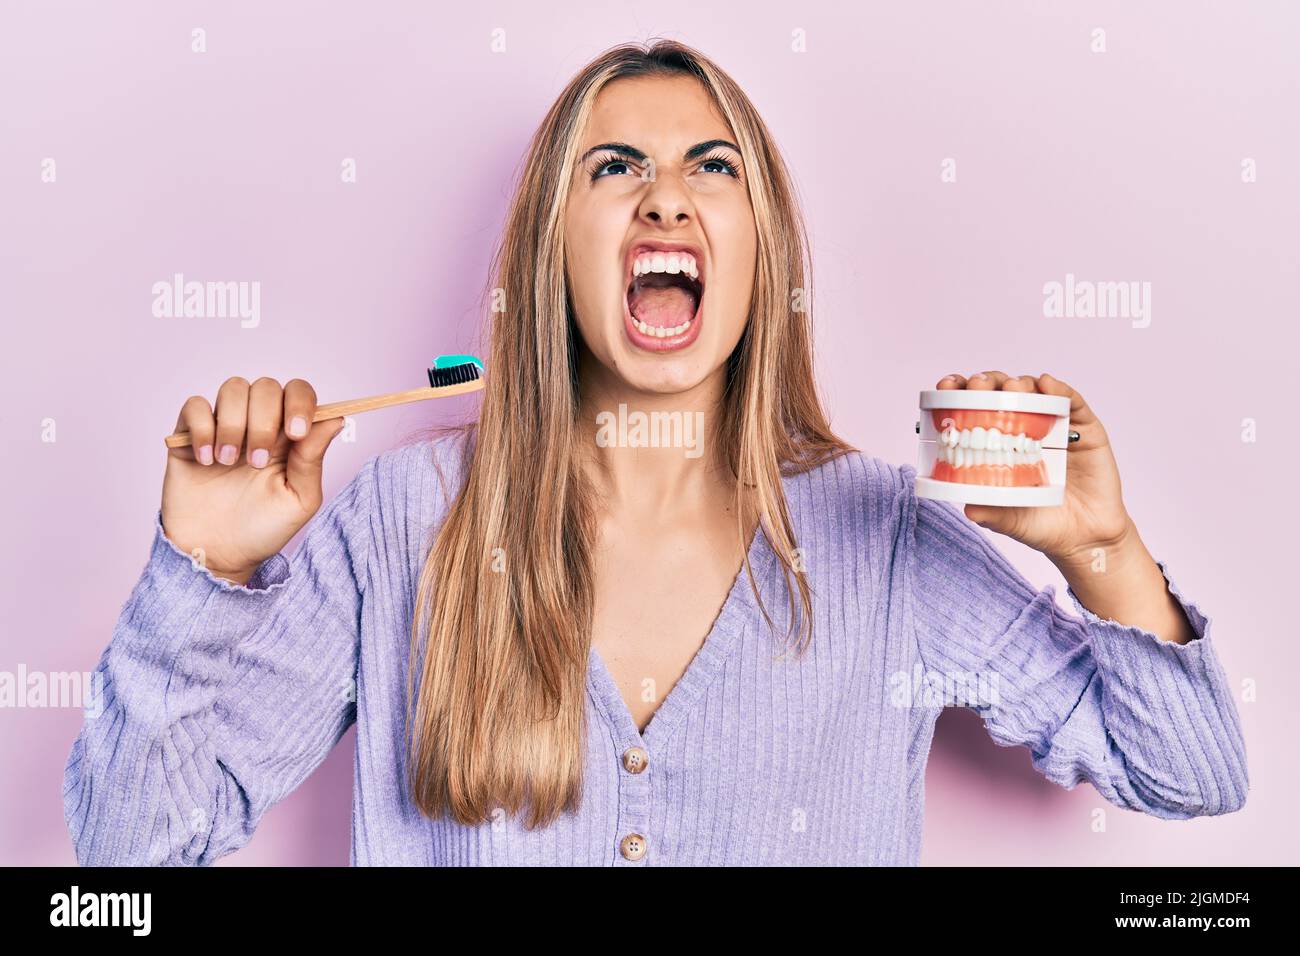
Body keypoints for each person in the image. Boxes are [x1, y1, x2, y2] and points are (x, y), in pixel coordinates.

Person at [63, 40, 1248, 866]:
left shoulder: (885, 543)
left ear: (760, 249)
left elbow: (1191, 771)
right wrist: (199, 577)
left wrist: (1100, 548)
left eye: (711, 167)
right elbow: (126, 855)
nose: (664, 200)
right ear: (552, 251)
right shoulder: (404, 521)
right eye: (613, 167)